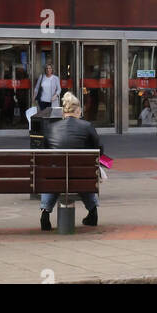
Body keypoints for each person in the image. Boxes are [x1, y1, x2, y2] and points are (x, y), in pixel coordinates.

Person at [39, 93, 106, 231]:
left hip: (56, 176)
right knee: (82, 172)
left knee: (55, 172)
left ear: (64, 111)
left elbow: (44, 152)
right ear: (78, 110)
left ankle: (45, 212)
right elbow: (99, 150)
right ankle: (93, 212)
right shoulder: (87, 126)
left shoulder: (51, 127)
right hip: (81, 176)